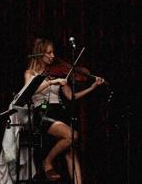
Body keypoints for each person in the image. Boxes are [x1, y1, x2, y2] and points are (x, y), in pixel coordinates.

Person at [23, 38, 105, 183]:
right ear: (40, 54)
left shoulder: (56, 73)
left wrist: (92, 87)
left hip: (58, 113)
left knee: (71, 151)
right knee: (72, 135)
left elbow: (71, 97)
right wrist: (52, 82)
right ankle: (47, 162)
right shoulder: (30, 73)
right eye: (49, 53)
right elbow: (30, 91)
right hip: (42, 114)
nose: (53, 55)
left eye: (53, 52)